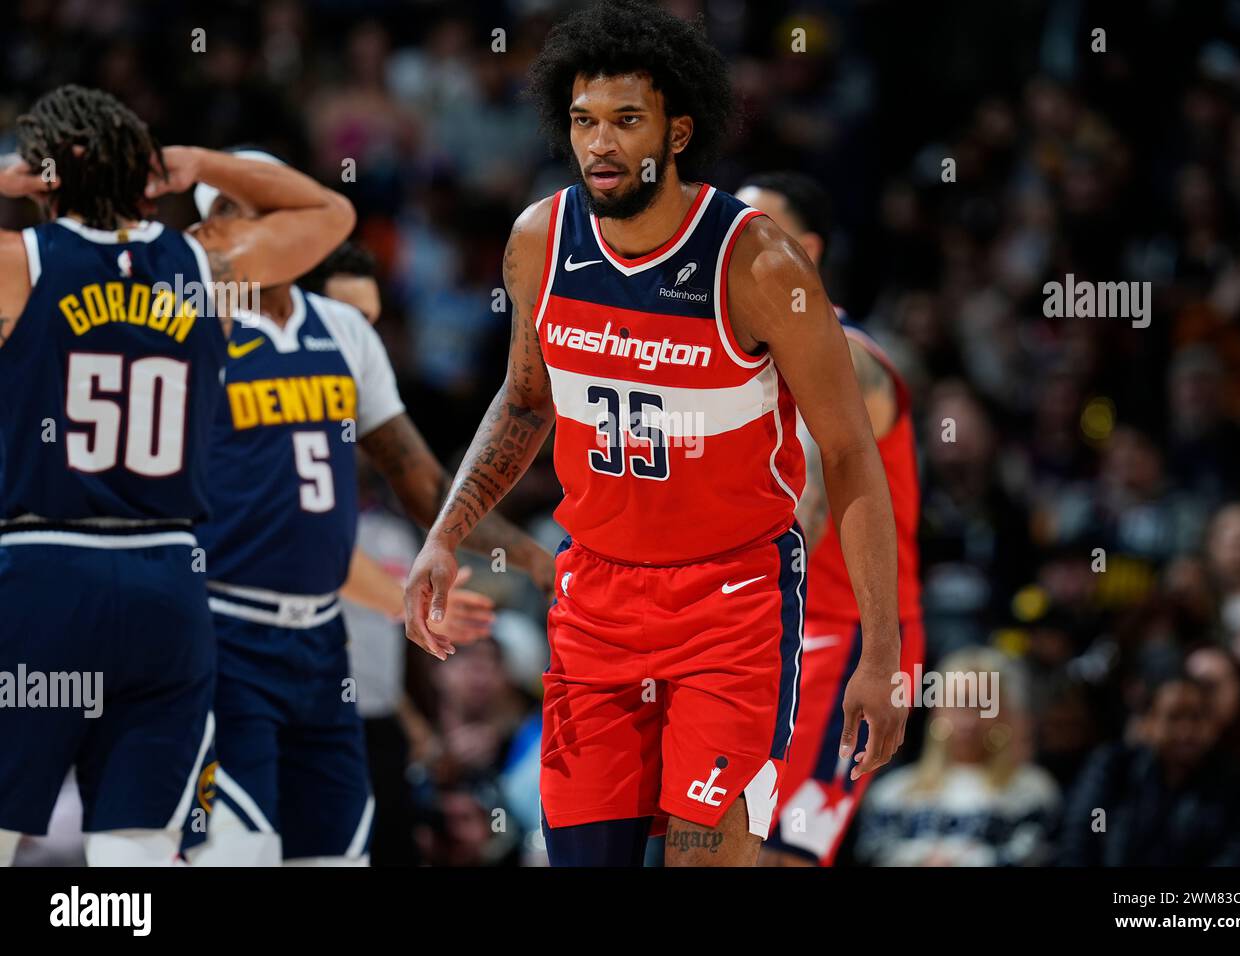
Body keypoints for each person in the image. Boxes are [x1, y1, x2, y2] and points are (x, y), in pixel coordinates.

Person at [403, 0, 905, 867]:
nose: (600, 144)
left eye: (626, 120)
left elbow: (853, 453)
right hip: (594, 600)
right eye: (583, 121)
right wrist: (445, 535)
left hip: (731, 606)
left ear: (678, 131)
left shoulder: (759, 265)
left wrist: (881, 653)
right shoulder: (540, 241)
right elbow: (524, 402)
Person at [0, 85, 354, 866]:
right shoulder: (206, 267)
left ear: (46, 174)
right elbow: (332, 213)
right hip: (169, 586)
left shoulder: (20, 264)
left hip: (45, 576)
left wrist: (9, 178)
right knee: (137, 847)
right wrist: (200, 161)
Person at [183, 152, 552, 866]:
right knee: (236, 853)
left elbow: (422, 483)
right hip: (223, 628)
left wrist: (534, 559)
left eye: (271, 208)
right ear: (213, 230)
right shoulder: (194, 328)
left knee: (336, 856)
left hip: (322, 641)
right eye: (231, 211)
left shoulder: (343, 330)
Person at [734, 171, 926, 867]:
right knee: (720, 843)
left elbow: (811, 493)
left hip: (843, 631)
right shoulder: (734, 357)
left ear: (805, 251)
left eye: (755, 234)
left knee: (781, 851)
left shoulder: (850, 355)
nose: (732, 251)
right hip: (757, 624)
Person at [856, 648, 1059, 866]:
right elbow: (871, 852)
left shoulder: (1030, 792)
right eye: (958, 704)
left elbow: (1033, 854)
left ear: (1004, 714)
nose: (968, 721)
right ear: (937, 710)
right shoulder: (894, 792)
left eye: (982, 706)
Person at [1059, 674, 1240, 866]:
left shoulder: (1237, 786)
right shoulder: (1113, 767)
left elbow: (1234, 854)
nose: (1186, 731)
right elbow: (1079, 838)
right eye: (1174, 717)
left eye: (1196, 718)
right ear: (1150, 722)